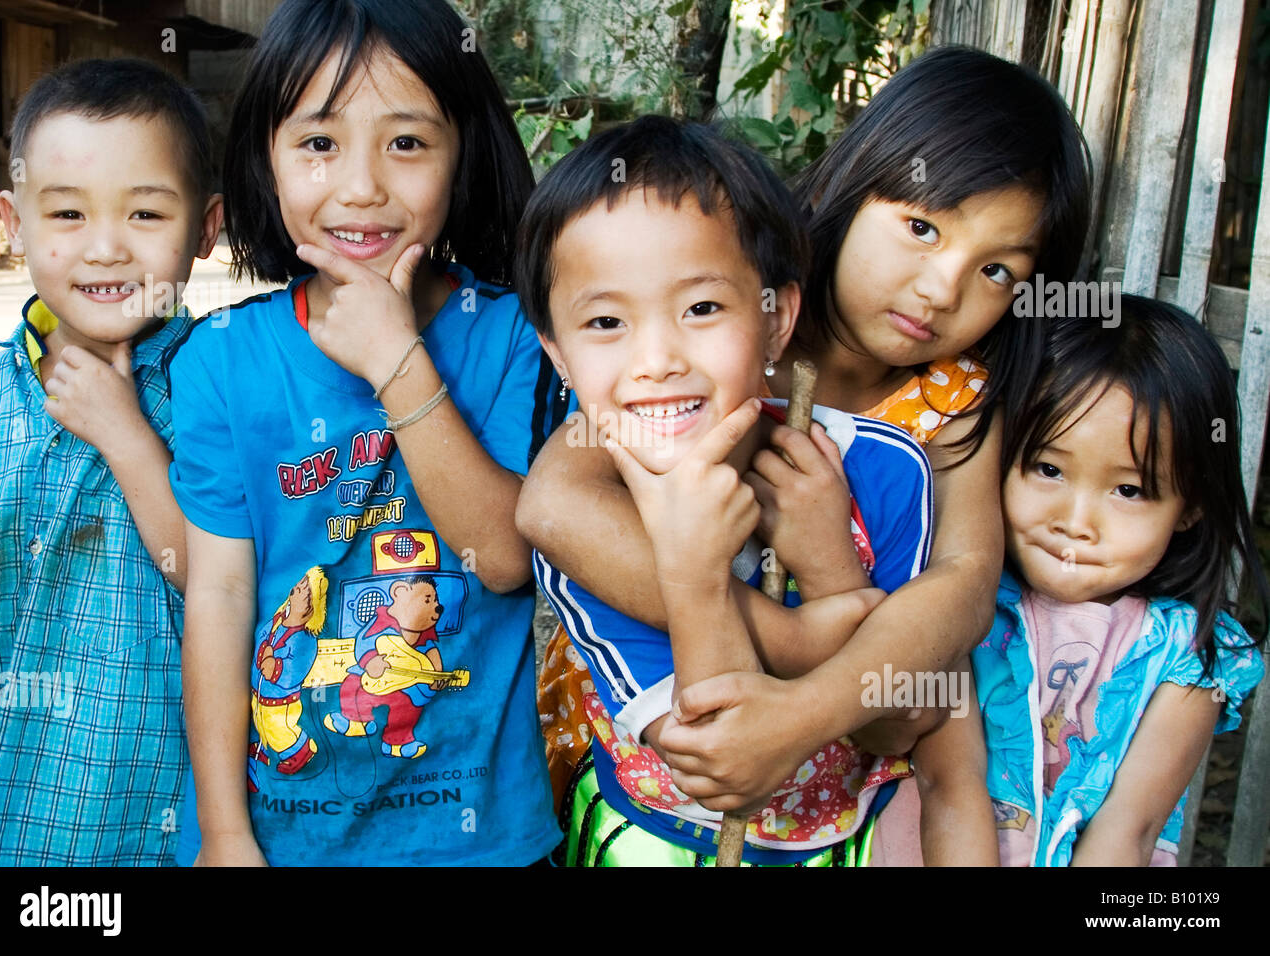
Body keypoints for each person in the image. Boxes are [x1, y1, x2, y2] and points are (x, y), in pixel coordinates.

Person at [518, 45, 1091, 865]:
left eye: (997, 270)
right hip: (644, 767)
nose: (940, 289)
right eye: (921, 228)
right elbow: (552, 506)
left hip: (822, 791)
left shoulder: (956, 400)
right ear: (850, 186)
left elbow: (962, 592)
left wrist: (806, 707)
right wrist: (782, 632)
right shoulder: (709, 330)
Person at [167, 0, 565, 866]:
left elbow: (499, 560)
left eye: (407, 142)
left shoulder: (506, 337)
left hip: (473, 838)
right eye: (318, 143)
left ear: (463, 157)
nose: (361, 187)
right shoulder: (222, 364)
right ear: (263, 161)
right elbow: (221, 598)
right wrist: (226, 833)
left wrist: (397, 361)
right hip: (276, 834)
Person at [517, 115, 943, 864]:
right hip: (654, 840)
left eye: (702, 309)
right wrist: (690, 567)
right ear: (558, 353)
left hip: (845, 842)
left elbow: (896, 726)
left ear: (777, 320)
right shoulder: (591, 533)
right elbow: (727, 774)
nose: (656, 360)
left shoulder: (884, 471)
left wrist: (828, 564)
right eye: (607, 321)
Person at [0, 58, 223, 864]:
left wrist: (126, 437)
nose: (107, 248)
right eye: (68, 214)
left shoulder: (220, 393)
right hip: (1, 826)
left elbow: (215, 575)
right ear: (13, 223)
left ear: (207, 228)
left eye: (146, 213)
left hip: (153, 830)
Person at [973, 297, 1266, 865]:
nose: (1076, 524)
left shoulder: (1186, 658)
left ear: (1190, 506)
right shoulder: (961, 594)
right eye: (1049, 469)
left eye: (1128, 490)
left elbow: (1127, 832)